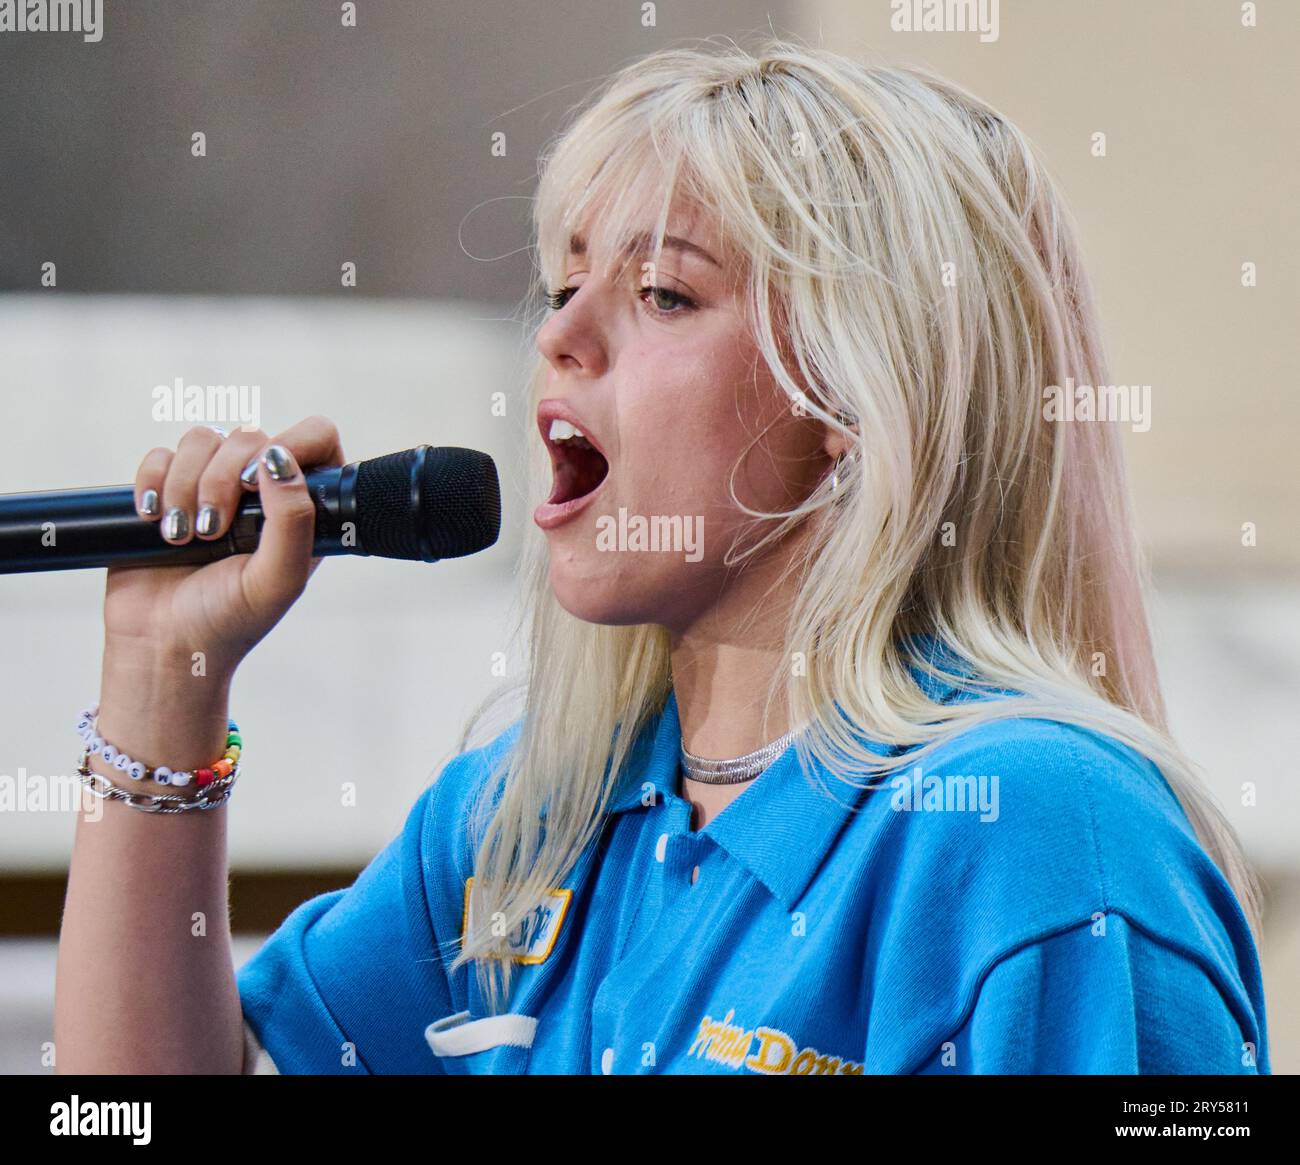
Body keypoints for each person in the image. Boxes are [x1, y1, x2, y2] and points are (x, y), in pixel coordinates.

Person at [55, 39, 1270, 1075]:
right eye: (561, 281)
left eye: (661, 293)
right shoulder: (517, 821)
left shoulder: (1037, 831)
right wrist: (164, 678)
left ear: (858, 395)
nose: (557, 334)